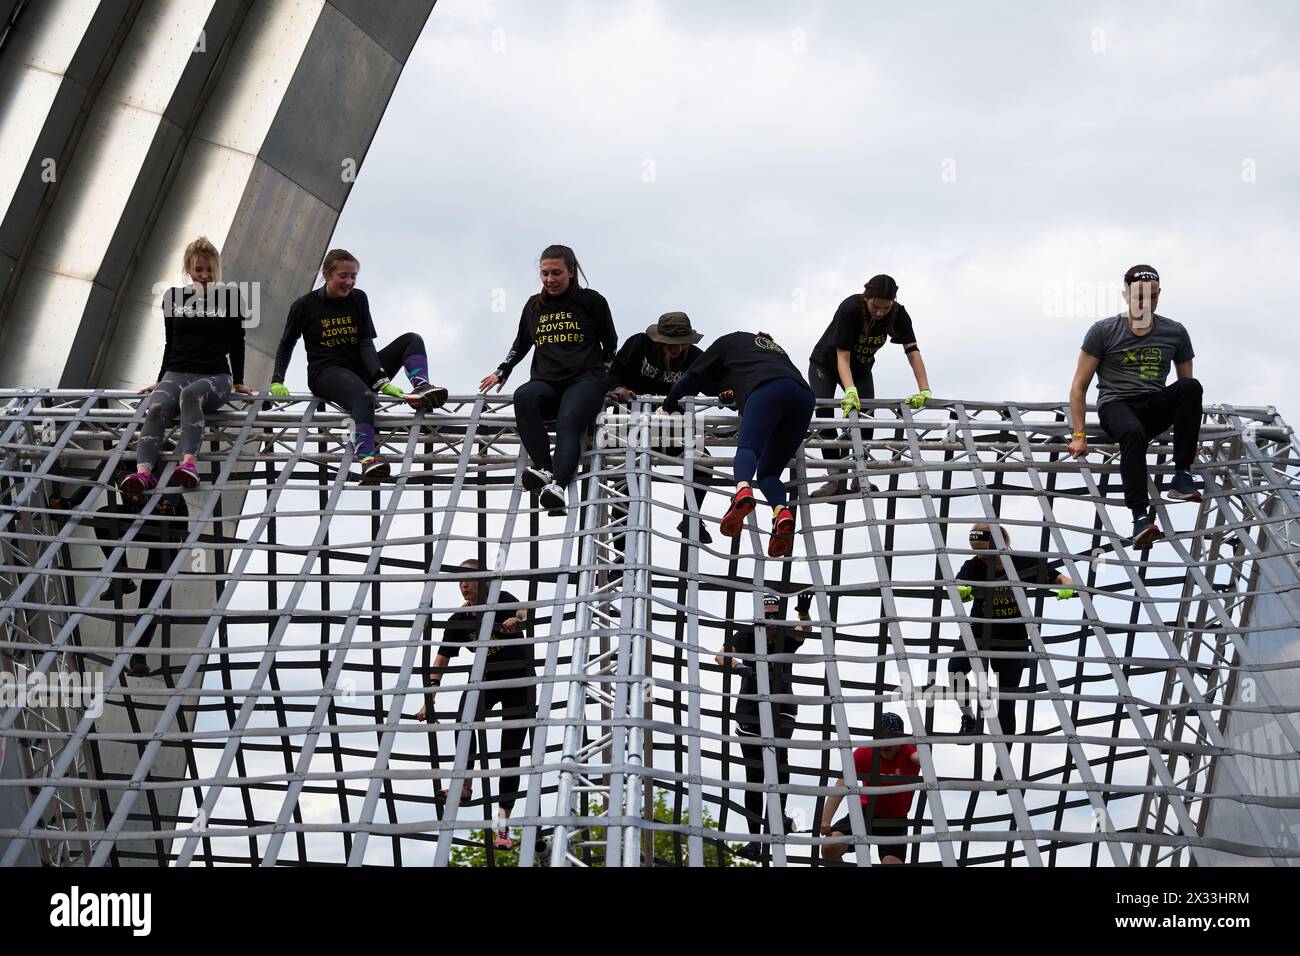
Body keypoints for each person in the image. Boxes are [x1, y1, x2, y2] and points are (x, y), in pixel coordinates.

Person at [270, 249, 448, 484]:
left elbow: (366, 343)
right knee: (364, 397)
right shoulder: (304, 306)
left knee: (412, 339)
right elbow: (286, 344)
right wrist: (277, 379)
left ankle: (421, 387)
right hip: (326, 372)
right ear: (326, 274)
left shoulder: (358, 298)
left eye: (353, 276)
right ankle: (366, 457)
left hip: (360, 368)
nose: (349, 282)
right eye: (343, 276)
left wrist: (380, 378)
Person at [1068, 264, 1203, 548]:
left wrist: (1190, 438)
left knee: (1192, 387)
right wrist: (1078, 435)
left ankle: (1181, 477)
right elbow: (1079, 387)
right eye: (1139, 296)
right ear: (1125, 295)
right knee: (1132, 433)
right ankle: (1140, 518)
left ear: (1159, 295)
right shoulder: (1103, 331)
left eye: (1152, 297)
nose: (1145, 303)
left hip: (1153, 404)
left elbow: (1186, 390)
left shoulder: (1175, 332)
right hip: (1116, 404)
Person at [480, 244, 617, 516]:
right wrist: (502, 370)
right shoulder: (534, 305)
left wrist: (604, 379)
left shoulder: (592, 301)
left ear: (572, 272)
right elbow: (521, 344)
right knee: (524, 396)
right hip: (547, 382)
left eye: (556, 273)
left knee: (569, 420)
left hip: (585, 380)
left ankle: (558, 485)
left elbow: (610, 344)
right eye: (545, 274)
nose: (550, 280)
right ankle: (543, 468)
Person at [660, 331, 816, 558]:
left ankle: (742, 490)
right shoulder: (775, 351)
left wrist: (669, 403)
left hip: (766, 389)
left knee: (748, 449)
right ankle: (781, 513)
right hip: (804, 397)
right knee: (769, 474)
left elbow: (692, 376)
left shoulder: (729, 341)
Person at [413, 559, 533, 851]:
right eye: (460, 581)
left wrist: (517, 621)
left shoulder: (501, 600)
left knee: (510, 753)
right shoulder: (458, 620)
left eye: (469, 579)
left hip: (519, 678)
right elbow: (441, 659)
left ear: (483, 582)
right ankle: (464, 785)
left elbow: (524, 611)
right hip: (485, 679)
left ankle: (502, 828)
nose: (463, 585)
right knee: (464, 722)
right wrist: (430, 697)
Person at [121, 237, 252, 494]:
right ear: (188, 270)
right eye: (198, 269)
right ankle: (143, 473)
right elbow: (171, 341)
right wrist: (161, 379)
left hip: (214, 375)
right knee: (157, 406)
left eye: (209, 270)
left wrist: (238, 380)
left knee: (190, 395)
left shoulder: (230, 297)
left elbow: (238, 342)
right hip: (177, 371)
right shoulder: (174, 297)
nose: (204, 275)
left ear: (217, 269)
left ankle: (189, 464)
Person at [949, 523, 1076, 781]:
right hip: (980, 634)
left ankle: (1002, 765)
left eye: (985, 551)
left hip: (1013, 639)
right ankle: (968, 718)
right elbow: (959, 583)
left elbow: (1058, 576)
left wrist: (1067, 586)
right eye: (978, 552)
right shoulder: (974, 565)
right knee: (955, 668)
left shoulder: (1020, 562)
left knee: (1006, 705)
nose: (983, 557)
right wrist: (962, 590)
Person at [50, 473, 189, 677]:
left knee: (150, 597)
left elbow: (176, 480)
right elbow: (97, 479)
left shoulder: (161, 454)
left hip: (168, 528)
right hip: (140, 518)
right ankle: (122, 578)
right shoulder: (120, 456)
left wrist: (167, 502)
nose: (132, 495)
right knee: (104, 518)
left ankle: (138, 655)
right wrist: (71, 502)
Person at [806, 274, 932, 498]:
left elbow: (912, 351)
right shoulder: (850, 309)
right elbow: (842, 356)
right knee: (823, 413)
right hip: (826, 364)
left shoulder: (898, 315)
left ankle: (859, 477)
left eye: (885, 307)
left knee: (866, 419)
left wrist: (924, 389)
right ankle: (835, 479)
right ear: (867, 298)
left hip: (861, 368)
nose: (880, 312)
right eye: (876, 306)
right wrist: (850, 390)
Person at [716, 592, 812, 861]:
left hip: (782, 707)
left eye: (775, 615)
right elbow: (720, 656)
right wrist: (737, 666)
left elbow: (804, 632)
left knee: (780, 761)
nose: (771, 621)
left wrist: (803, 612)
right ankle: (755, 840)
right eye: (767, 615)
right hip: (750, 710)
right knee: (755, 774)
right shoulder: (747, 634)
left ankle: (778, 816)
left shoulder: (786, 635)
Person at [607, 311, 713, 543]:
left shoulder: (695, 356)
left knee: (704, 462)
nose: (675, 349)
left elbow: (715, 384)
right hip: (631, 428)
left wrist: (729, 392)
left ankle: (691, 518)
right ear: (659, 338)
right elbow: (613, 374)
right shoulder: (639, 344)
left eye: (681, 343)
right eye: (670, 344)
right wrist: (618, 388)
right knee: (625, 486)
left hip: (672, 431)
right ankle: (618, 563)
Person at [819, 713, 920, 865]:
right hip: (864, 815)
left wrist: (923, 745)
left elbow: (921, 758)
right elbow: (842, 784)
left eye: (891, 739)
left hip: (895, 821)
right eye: (882, 738)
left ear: (901, 740)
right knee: (829, 846)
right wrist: (825, 819)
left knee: (892, 863)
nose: (886, 743)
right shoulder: (865, 752)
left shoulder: (909, 752)